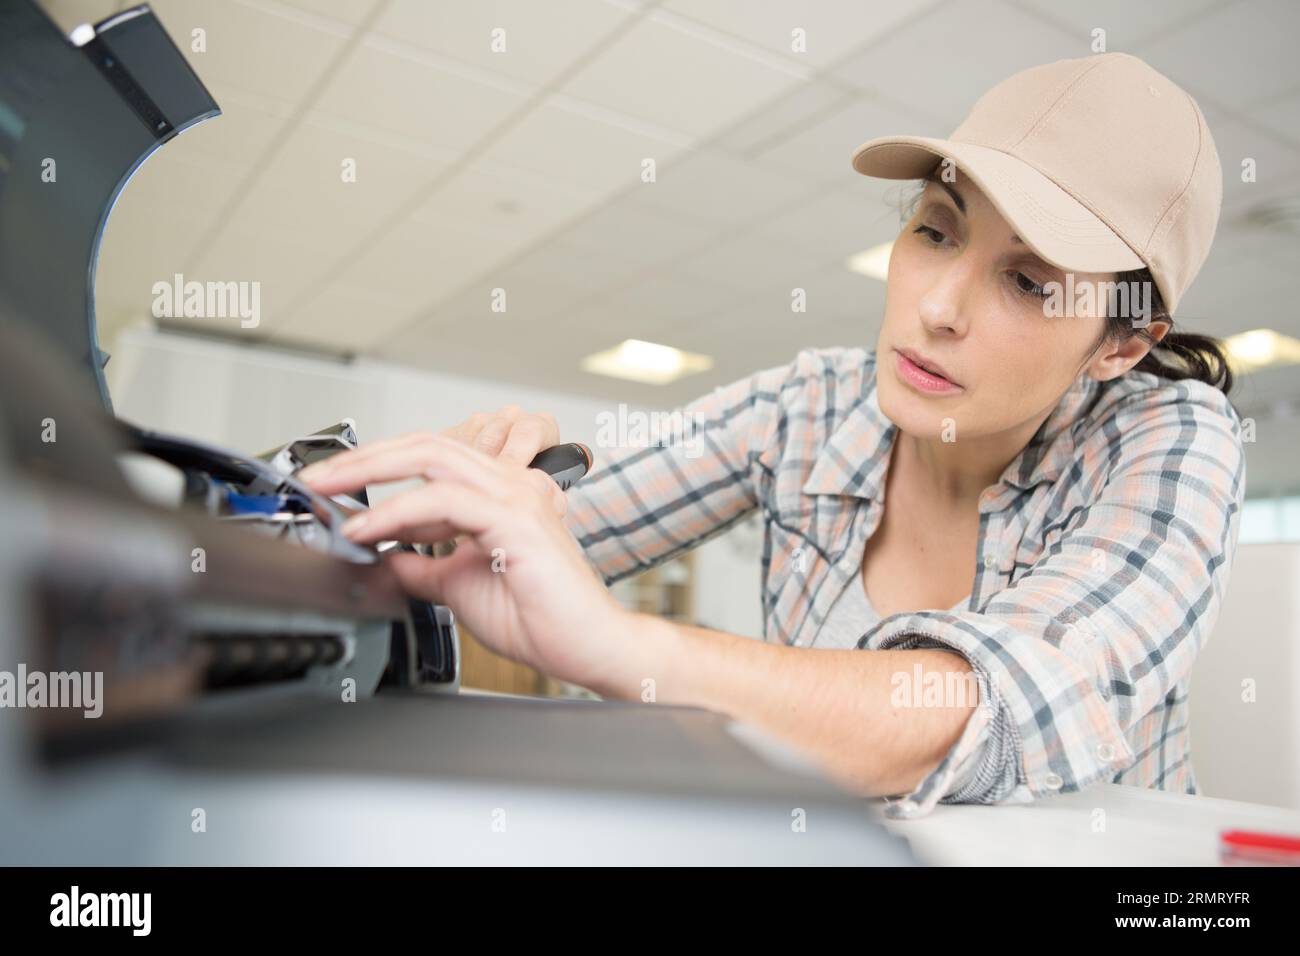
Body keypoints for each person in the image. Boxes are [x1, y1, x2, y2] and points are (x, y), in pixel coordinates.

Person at [299, 53, 1245, 819]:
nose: (940, 308)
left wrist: (617, 645)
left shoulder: (1171, 441)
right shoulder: (809, 407)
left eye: (1031, 283)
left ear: (1121, 345)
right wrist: (490, 498)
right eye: (938, 232)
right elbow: (533, 537)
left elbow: (991, 705)